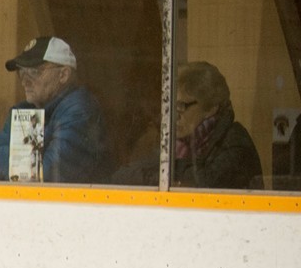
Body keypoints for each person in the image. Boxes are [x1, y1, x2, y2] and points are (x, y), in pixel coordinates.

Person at [0, 36, 109, 183]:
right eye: (22, 72)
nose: (25, 81)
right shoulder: (25, 109)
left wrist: (19, 157)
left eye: (34, 72)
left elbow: (49, 173)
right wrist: (31, 158)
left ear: (63, 75)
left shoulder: (79, 110)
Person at [113, 62, 264, 189]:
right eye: (172, 106)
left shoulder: (235, 142)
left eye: (182, 106)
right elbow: (123, 175)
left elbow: (204, 184)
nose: (174, 115)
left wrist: (164, 174)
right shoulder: (175, 142)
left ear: (211, 108)